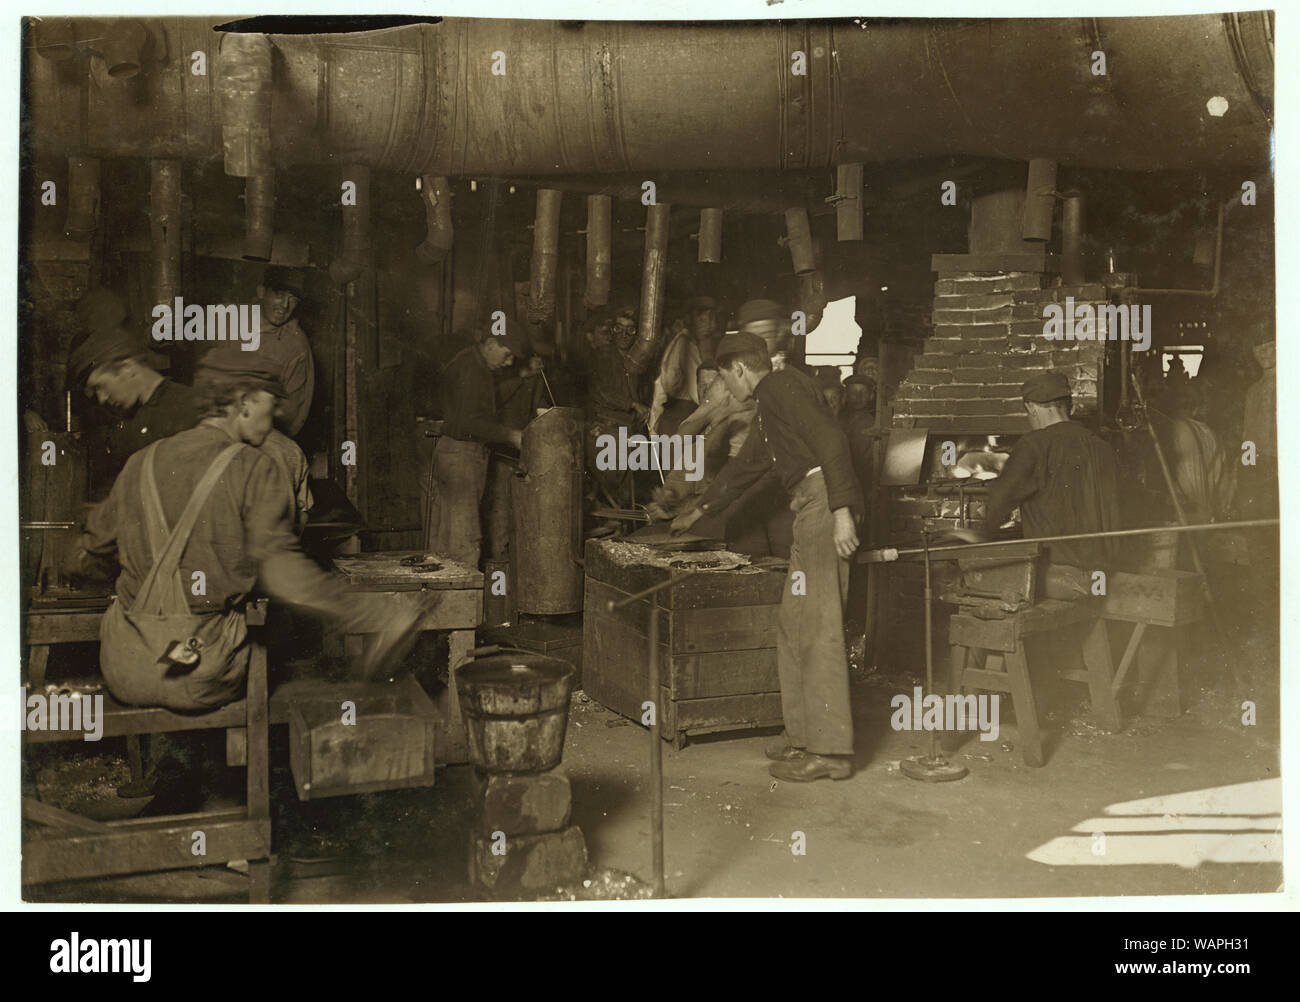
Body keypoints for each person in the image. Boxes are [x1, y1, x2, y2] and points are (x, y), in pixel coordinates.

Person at [76, 361, 420, 812]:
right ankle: (250, 812)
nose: (272, 418)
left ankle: (192, 793)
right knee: (267, 648)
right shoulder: (256, 469)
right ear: (241, 404)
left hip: (126, 666)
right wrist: (377, 616)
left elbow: (91, 548)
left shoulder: (142, 460)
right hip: (199, 673)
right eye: (269, 407)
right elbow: (284, 576)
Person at [672, 330, 862, 783]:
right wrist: (698, 508)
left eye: (724, 381)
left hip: (822, 506)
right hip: (808, 508)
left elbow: (832, 440)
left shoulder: (778, 387)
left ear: (739, 369)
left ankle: (831, 751)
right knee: (793, 623)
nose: (726, 393)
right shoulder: (773, 401)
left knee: (819, 627)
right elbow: (748, 467)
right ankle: (802, 737)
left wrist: (842, 512)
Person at [979, 371, 1122, 597]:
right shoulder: (1103, 447)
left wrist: (978, 536)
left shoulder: (1035, 444)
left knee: (977, 582)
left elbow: (998, 501)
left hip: (1063, 578)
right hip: (1103, 577)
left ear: (1032, 408)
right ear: (1068, 406)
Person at [428, 330, 521, 568]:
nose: (508, 362)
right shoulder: (472, 370)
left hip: (453, 452)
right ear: (491, 344)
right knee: (464, 537)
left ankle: (446, 601)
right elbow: (469, 423)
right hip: (462, 455)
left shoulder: (470, 363)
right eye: (507, 354)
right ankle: (465, 601)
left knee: (445, 537)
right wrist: (510, 435)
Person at [69, 326, 198, 495]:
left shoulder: (188, 406)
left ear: (127, 368)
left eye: (100, 386)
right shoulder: (124, 421)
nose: (101, 398)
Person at [584, 305, 651, 507]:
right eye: (618, 328)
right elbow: (600, 392)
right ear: (612, 330)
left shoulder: (637, 360)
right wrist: (633, 404)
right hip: (606, 429)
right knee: (609, 491)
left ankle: (623, 532)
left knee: (625, 493)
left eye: (630, 330)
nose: (624, 335)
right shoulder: (602, 356)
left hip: (628, 430)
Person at [244, 266, 314, 437]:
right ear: (262, 292)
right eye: (279, 295)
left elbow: (289, 417)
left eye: (293, 299)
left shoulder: (295, 347)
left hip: (263, 436)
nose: (285, 305)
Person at [648, 296, 720, 436]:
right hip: (682, 420)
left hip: (673, 421)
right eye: (704, 319)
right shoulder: (687, 345)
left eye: (712, 318)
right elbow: (700, 394)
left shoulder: (683, 341)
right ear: (691, 318)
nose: (711, 325)